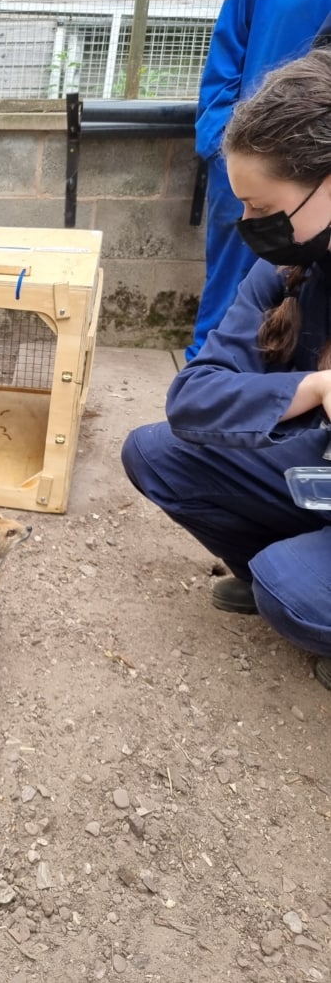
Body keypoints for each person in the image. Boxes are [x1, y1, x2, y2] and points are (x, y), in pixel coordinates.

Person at [122, 47, 331, 689]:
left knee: (289, 589)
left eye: (263, 208)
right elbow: (194, 397)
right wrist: (313, 386)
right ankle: (285, 563)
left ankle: (299, 582)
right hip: (316, 470)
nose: (247, 226)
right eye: (242, 205)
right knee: (153, 450)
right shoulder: (285, 267)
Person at [186, 0, 331, 363]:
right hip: (252, 161)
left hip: (317, 168)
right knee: (230, 285)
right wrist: (223, 143)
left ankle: (282, 386)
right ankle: (207, 369)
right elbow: (228, 46)